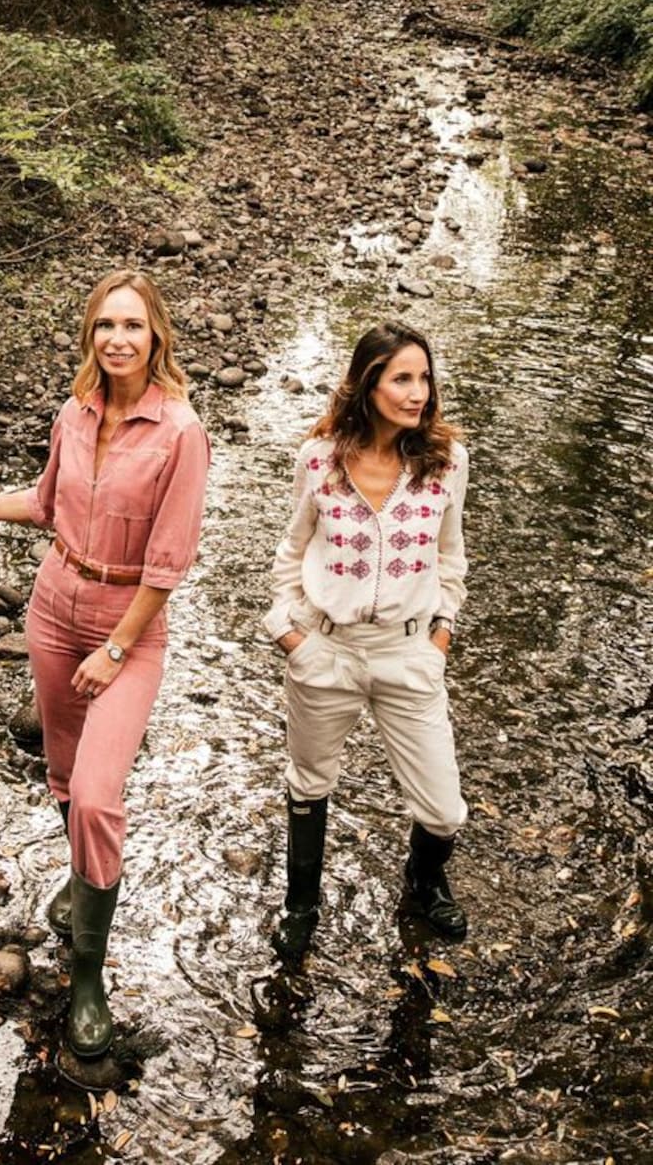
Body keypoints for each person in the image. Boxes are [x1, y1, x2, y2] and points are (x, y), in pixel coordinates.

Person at [0, 270, 210, 1057]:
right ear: (91, 334)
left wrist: (117, 648)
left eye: (134, 326)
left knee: (94, 794)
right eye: (106, 325)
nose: (119, 339)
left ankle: (87, 976)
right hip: (52, 606)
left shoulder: (180, 430)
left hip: (128, 627)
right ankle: (82, 884)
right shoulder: (74, 414)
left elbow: (170, 563)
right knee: (59, 775)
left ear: (157, 337)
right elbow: (44, 504)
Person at [265, 320, 469, 963]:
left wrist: (441, 631)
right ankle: (302, 904)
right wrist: (289, 632)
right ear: (368, 384)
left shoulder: (446, 462)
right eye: (401, 378)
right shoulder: (319, 460)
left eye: (424, 378)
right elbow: (292, 550)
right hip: (325, 651)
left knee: (444, 809)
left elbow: (451, 555)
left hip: (410, 654)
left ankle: (422, 879)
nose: (417, 392)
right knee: (310, 782)